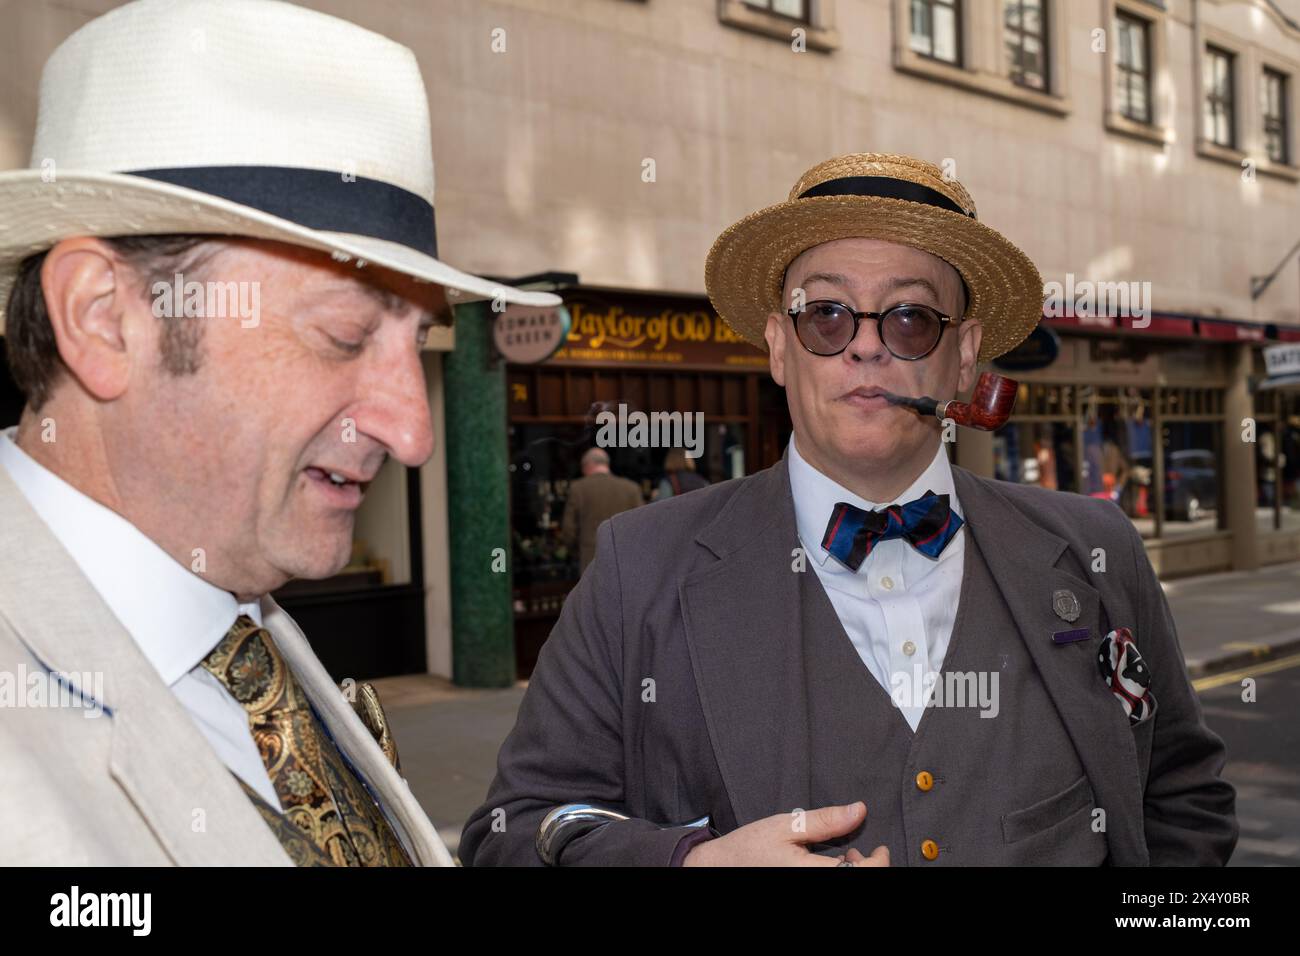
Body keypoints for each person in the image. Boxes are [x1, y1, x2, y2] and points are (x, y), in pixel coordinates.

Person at [461, 153, 1237, 866]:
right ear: (777, 346)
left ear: (963, 355)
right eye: (826, 315)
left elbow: (1184, 800)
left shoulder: (1096, 547)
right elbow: (514, 831)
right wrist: (689, 864)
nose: (866, 348)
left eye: (908, 318)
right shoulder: (638, 564)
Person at [0, 0, 557, 866]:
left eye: (419, 344)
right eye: (344, 335)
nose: (413, 431)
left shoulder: (243, 619)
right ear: (104, 318)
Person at [560, 447, 643, 572]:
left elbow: (569, 530)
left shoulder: (578, 488)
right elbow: (642, 527)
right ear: (606, 464)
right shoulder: (631, 488)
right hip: (626, 558)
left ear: (587, 465)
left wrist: (576, 551)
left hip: (590, 559)